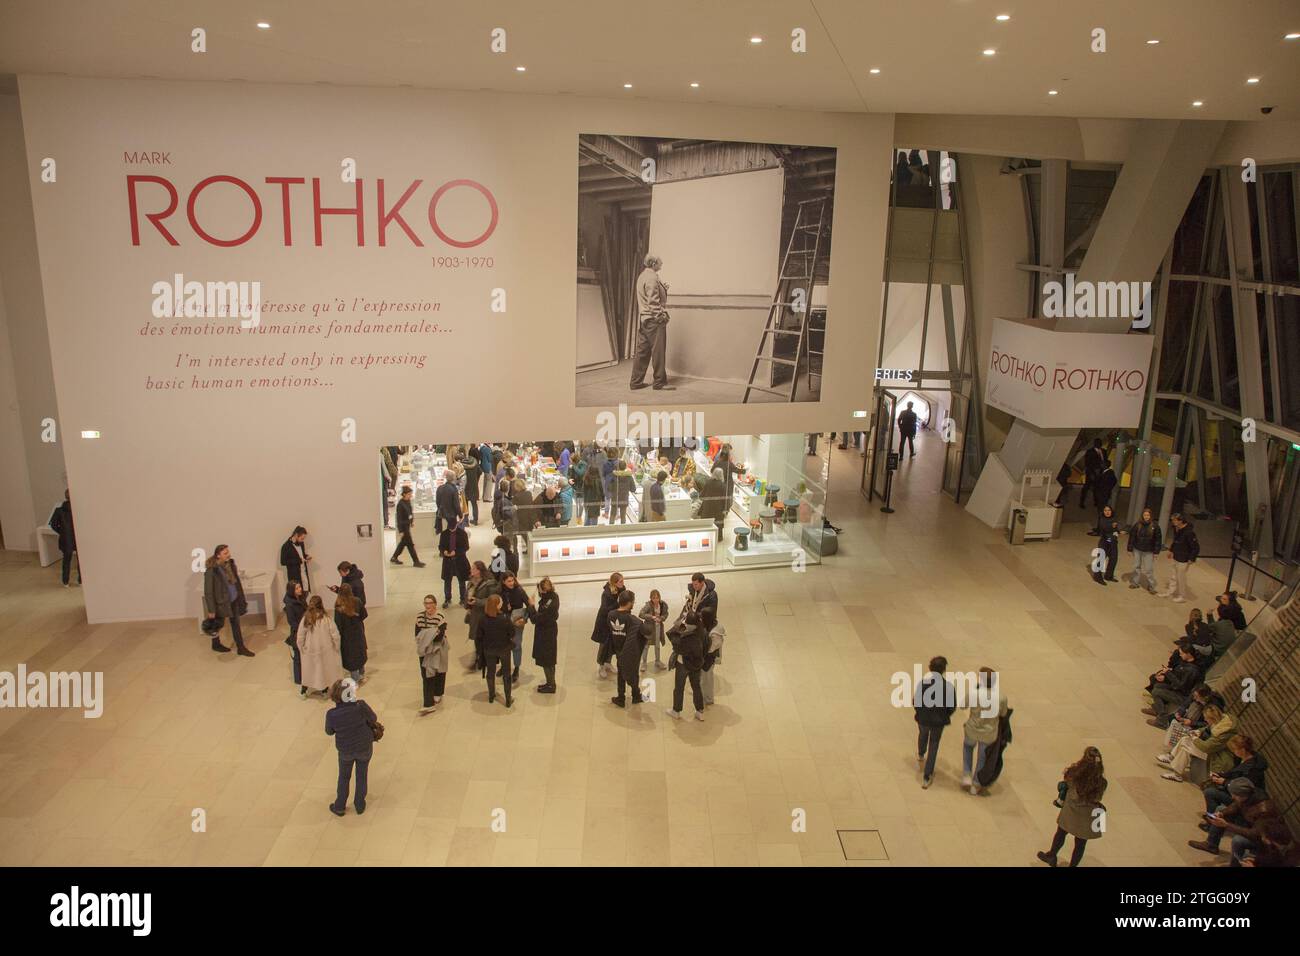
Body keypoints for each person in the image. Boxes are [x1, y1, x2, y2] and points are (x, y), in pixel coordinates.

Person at [1038, 747, 1107, 866]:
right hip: (1087, 816)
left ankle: (1052, 855)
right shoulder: (1102, 782)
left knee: (1061, 833)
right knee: (1080, 843)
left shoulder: (1074, 773)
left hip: (1071, 810)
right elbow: (1097, 798)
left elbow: (1067, 781)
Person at [324, 679, 379, 816]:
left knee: (344, 777)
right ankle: (359, 804)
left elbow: (329, 731)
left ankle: (340, 806)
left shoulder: (331, 714)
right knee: (361, 775)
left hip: (345, 750)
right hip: (364, 746)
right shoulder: (361, 706)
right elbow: (373, 718)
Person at [1189, 778, 1277, 859]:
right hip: (1247, 822)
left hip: (1259, 838)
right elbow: (1236, 805)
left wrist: (1226, 825)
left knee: (1237, 840)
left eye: (1234, 795)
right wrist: (1222, 813)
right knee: (1220, 810)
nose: (1232, 797)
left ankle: (1236, 863)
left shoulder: (1264, 811)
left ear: (1242, 795)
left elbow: (1254, 834)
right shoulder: (1247, 796)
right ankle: (1211, 845)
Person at [1158, 702, 1236, 782]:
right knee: (1186, 742)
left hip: (1217, 757)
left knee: (1186, 743)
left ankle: (1173, 760)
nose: (1205, 720)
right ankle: (1175, 769)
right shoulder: (1220, 721)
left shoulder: (1224, 733)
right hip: (1212, 751)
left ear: (1213, 718)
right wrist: (1198, 731)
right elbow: (1207, 728)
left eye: (1206, 718)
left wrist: (1195, 738)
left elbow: (1207, 747)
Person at [629, 254, 673, 391]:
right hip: (654, 321)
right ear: (654, 263)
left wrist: (663, 289)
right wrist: (660, 316)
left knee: (642, 352)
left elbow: (649, 295)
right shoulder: (652, 277)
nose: (662, 264)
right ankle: (659, 382)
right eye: (660, 262)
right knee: (658, 352)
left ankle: (635, 382)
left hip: (644, 320)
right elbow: (653, 301)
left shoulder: (643, 276)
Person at [962, 667, 1007, 795]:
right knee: (982, 756)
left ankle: (967, 774)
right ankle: (976, 784)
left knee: (968, 748)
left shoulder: (974, 693)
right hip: (989, 733)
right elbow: (1003, 713)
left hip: (972, 729)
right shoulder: (1001, 697)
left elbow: (963, 705)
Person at [202, 544, 254, 656]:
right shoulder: (212, 571)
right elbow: (208, 592)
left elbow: (236, 582)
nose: (228, 555)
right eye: (225, 553)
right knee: (217, 624)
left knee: (236, 624)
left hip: (233, 600)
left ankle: (240, 647)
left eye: (228, 552)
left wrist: (240, 598)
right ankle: (215, 644)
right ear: (218, 555)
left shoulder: (229, 564)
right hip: (221, 603)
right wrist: (211, 610)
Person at [913, 656, 956, 789]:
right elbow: (951, 707)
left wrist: (920, 712)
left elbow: (916, 702)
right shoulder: (948, 687)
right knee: (934, 744)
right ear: (943, 670)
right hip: (938, 722)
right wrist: (944, 715)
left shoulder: (922, 683)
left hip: (924, 718)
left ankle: (921, 753)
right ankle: (927, 775)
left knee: (923, 734)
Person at [1202, 735, 1268, 814]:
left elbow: (1244, 789)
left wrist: (1225, 782)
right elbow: (1232, 773)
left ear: (1242, 750)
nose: (1233, 751)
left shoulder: (1253, 769)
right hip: (1233, 791)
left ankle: (1212, 818)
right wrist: (1220, 775)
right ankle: (1213, 816)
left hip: (1243, 800)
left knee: (1210, 792)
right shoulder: (1241, 758)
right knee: (1209, 787)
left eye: (1234, 749)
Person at [1142, 643, 1204, 726]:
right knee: (1158, 685)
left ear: (1188, 654)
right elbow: (1177, 674)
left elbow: (1182, 686)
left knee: (1157, 692)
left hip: (1184, 695)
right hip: (1177, 688)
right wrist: (1166, 674)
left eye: (1182, 653)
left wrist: (1168, 673)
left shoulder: (1192, 671)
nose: (1180, 655)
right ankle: (1157, 709)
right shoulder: (1186, 662)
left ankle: (1162, 720)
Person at [297, 595, 344, 697]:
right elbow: (335, 635)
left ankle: (303, 691)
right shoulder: (326, 619)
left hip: (310, 650)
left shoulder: (306, 618)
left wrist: (301, 647)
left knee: (309, 671)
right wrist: (337, 646)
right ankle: (324, 691)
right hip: (325, 650)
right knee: (323, 671)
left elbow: (300, 635)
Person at [664, 611, 706, 721]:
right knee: (696, 687)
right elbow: (707, 644)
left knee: (679, 688)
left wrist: (679, 623)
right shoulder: (702, 632)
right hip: (697, 664)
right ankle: (700, 711)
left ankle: (676, 711)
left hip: (683, 665)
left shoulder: (682, 638)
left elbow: (670, 633)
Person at [476, 594, 515, 708]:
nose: (502, 603)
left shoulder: (483, 619)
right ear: (497, 606)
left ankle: (491, 695)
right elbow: (512, 633)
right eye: (500, 602)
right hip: (504, 649)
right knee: (507, 674)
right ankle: (508, 699)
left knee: (490, 672)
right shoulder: (504, 618)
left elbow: (479, 636)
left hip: (489, 650)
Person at [610, 590, 646, 707]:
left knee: (621, 674)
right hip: (630, 652)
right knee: (633, 673)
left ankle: (621, 697)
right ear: (629, 603)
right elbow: (645, 630)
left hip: (618, 649)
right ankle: (636, 695)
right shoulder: (632, 619)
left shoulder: (611, 615)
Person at [415, 595, 448, 715]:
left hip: (437, 649)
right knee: (426, 675)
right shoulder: (419, 616)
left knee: (439, 671)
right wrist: (433, 632)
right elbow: (417, 634)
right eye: (425, 603)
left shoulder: (440, 616)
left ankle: (438, 692)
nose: (428, 606)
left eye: (430, 603)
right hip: (425, 651)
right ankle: (428, 703)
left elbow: (440, 636)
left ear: (435, 604)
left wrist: (427, 635)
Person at [466, 561, 500, 674]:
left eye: (473, 568)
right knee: (477, 638)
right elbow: (467, 595)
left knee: (485, 639)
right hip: (475, 616)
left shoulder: (489, 583)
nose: (471, 570)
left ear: (479, 570)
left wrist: (478, 601)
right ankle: (478, 658)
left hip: (485, 615)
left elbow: (493, 599)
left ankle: (484, 659)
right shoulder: (470, 583)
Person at [592, 572, 627, 678]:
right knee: (604, 644)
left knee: (612, 644)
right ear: (615, 583)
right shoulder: (606, 593)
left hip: (614, 621)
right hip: (604, 623)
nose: (623, 583)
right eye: (620, 581)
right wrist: (617, 603)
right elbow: (605, 609)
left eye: (622, 581)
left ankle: (608, 662)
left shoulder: (622, 590)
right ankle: (601, 665)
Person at [498, 571, 532, 682]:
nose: (512, 583)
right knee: (504, 645)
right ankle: (504, 666)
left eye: (512, 580)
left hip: (517, 622)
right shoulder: (500, 592)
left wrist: (524, 619)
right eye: (509, 581)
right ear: (503, 582)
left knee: (516, 646)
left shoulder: (520, 591)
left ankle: (516, 668)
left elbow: (529, 606)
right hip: (504, 622)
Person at [1162, 513, 1199, 604]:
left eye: (1174, 520)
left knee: (1181, 577)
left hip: (1184, 558)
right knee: (1173, 575)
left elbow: (1195, 547)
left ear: (1180, 521)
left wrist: (1191, 558)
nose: (1173, 522)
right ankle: (1170, 591)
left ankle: (1182, 595)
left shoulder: (1189, 533)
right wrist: (1171, 550)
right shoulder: (1177, 529)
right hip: (1177, 556)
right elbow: (1176, 541)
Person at [334, 583, 368, 683]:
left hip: (346, 636)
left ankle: (355, 679)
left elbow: (338, 624)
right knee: (360, 651)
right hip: (358, 631)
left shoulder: (338, 606)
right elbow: (364, 615)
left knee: (351, 656)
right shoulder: (357, 601)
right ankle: (361, 674)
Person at [531, 577, 560, 693]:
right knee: (550, 659)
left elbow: (535, 619)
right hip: (551, 630)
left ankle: (551, 685)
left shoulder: (546, 606)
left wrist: (531, 606)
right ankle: (550, 682)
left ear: (543, 590)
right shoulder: (554, 596)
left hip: (545, 633)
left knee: (547, 660)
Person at [48, 489, 80, 587]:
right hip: (78, 539)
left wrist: (61, 532)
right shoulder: (78, 509)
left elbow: (53, 525)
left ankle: (65, 582)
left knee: (66, 561)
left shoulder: (59, 510)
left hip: (66, 539)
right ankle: (80, 581)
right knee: (81, 561)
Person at [1127, 507, 1162, 592]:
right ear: (1142, 516)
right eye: (1145, 515)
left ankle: (1151, 586)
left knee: (1149, 569)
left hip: (1149, 551)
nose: (1146, 516)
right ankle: (1135, 583)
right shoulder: (1137, 525)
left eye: (1148, 515)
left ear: (1150, 516)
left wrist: (1156, 551)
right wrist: (1129, 548)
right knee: (1136, 566)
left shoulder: (1155, 526)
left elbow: (1158, 539)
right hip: (1137, 549)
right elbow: (1132, 537)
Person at [390, 485, 425, 567]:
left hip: (407, 525)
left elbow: (410, 512)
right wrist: (401, 531)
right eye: (409, 494)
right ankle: (416, 561)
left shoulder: (408, 502)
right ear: (404, 494)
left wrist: (411, 521)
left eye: (411, 494)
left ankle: (394, 557)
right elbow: (399, 519)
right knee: (410, 544)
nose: (411, 495)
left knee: (403, 543)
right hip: (404, 527)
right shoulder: (400, 504)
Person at [439, 519, 470, 607]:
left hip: (460, 560)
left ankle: (463, 598)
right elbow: (441, 546)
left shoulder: (463, 534)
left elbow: (466, 547)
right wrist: (443, 551)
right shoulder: (444, 534)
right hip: (448, 561)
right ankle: (447, 599)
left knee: (461, 580)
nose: (451, 530)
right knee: (447, 581)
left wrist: (456, 552)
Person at [284, 580, 308, 694]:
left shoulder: (301, 599)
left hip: (305, 629)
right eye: (297, 588)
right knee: (298, 657)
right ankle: (299, 679)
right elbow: (292, 622)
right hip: (297, 633)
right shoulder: (290, 605)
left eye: (300, 587)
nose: (300, 590)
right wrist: (302, 629)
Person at [638, 590, 670, 672]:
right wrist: (652, 617)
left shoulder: (663, 605)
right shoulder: (648, 605)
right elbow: (641, 614)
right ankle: (644, 663)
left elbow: (665, 614)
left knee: (657, 645)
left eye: (657, 597)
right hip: (649, 628)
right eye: (654, 598)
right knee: (646, 646)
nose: (656, 600)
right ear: (651, 598)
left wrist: (661, 618)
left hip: (658, 627)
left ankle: (658, 661)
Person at [1092, 505, 1121, 585]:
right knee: (1101, 559)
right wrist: (1112, 526)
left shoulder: (1114, 519)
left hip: (1113, 542)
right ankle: (1097, 577)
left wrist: (1118, 531)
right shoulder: (1102, 519)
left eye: (1109, 510)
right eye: (1105, 510)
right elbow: (1104, 528)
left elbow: (1116, 529)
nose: (1107, 512)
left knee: (1113, 560)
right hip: (1104, 542)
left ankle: (1109, 576)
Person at [700, 617, 726, 706]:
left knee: (707, 678)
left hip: (709, 659)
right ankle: (706, 696)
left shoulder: (714, 634)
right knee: (705, 678)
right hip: (710, 658)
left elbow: (710, 649)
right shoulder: (716, 626)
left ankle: (708, 698)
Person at [279, 525, 311, 592]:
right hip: (294, 576)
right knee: (297, 595)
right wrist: (298, 561)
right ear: (296, 535)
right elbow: (283, 562)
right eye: (302, 538)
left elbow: (300, 554)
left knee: (306, 591)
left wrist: (306, 556)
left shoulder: (301, 543)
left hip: (303, 572)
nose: (303, 540)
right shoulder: (285, 546)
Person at [1079, 438, 1106, 509]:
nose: (1099, 444)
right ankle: (1081, 502)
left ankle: (1096, 501)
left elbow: (1105, 461)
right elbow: (1087, 463)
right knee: (1086, 487)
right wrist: (1091, 473)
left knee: (1097, 488)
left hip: (1100, 472)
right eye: (1098, 443)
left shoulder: (1103, 451)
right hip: (1091, 473)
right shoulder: (1090, 452)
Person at [459, 451, 482, 525]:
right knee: (474, 504)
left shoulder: (461, 465)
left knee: (465, 504)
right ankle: (475, 520)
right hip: (474, 486)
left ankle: (466, 521)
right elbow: (480, 472)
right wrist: (476, 479)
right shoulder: (475, 463)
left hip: (465, 487)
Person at [609, 460, 635, 524]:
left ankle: (610, 530)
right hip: (624, 498)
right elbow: (633, 489)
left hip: (615, 498)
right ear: (625, 467)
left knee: (612, 515)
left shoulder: (613, 476)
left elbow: (609, 488)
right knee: (623, 516)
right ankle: (622, 531)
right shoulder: (629, 477)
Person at [581, 461, 605, 526]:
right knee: (594, 519)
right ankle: (593, 532)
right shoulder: (599, 481)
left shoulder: (586, 479)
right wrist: (603, 502)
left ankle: (586, 531)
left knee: (587, 516)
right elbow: (602, 492)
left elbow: (583, 490)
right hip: (595, 502)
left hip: (587, 501)